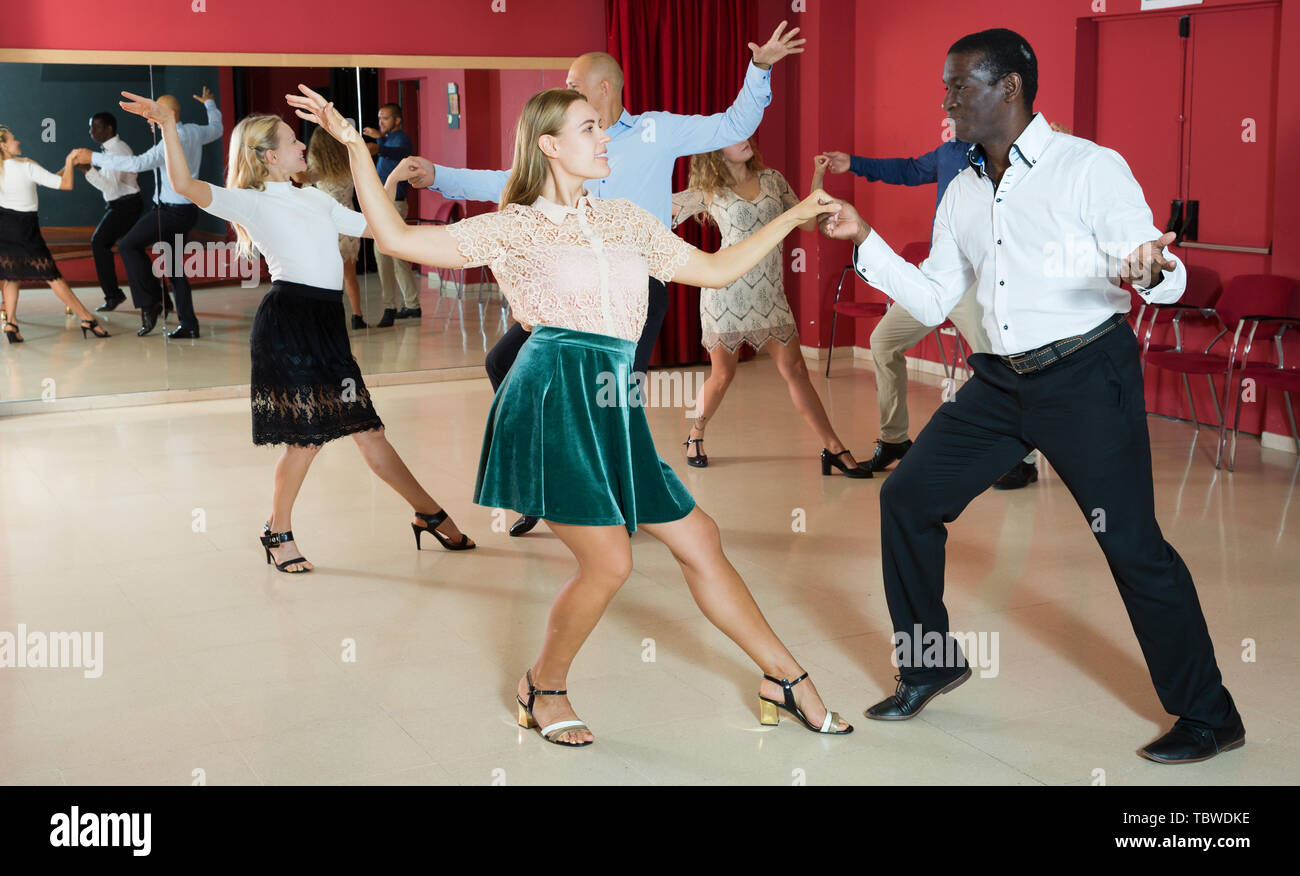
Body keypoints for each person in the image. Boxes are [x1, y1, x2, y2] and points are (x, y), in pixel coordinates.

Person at [291, 83, 853, 745]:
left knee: (699, 537)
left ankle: (782, 678)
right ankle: (544, 685)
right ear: (550, 145)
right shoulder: (512, 229)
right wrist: (356, 147)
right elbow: (394, 235)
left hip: (614, 405)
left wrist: (790, 219)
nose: (605, 136)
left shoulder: (626, 220)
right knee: (611, 562)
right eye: (590, 127)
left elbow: (715, 270)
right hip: (551, 397)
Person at [819, 28, 1243, 764]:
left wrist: (1152, 271)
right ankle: (930, 663)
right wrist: (864, 241)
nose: (947, 101)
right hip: (1000, 380)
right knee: (908, 500)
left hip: (1086, 377)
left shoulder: (1087, 168)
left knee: (1132, 545)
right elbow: (931, 293)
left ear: (1008, 88)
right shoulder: (962, 191)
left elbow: (1154, 261)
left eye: (960, 86)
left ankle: (1210, 714)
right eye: (946, 86)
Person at [405, 21, 806, 536]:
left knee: (616, 394)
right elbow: (513, 179)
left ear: (605, 87)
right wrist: (439, 174)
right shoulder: (569, 144)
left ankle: (621, 497)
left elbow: (731, 125)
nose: (566, 91)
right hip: (571, 286)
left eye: (574, 83)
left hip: (636, 285)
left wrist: (761, 68)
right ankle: (550, 476)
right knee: (503, 361)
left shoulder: (657, 131)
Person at [114, 91, 475, 573]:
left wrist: (386, 177)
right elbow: (182, 182)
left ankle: (426, 513)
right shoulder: (250, 201)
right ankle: (277, 531)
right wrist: (167, 127)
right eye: (291, 141)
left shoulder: (314, 198)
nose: (303, 146)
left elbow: (377, 225)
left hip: (327, 322)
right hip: (289, 323)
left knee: (369, 430)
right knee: (307, 437)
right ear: (268, 156)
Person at [819, 137, 1041, 487]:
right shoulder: (948, 153)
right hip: (939, 274)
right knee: (883, 342)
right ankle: (895, 440)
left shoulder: (1008, 151)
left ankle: (1022, 457)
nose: (947, 107)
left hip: (979, 279)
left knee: (997, 363)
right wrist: (854, 162)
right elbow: (907, 170)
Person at [670, 142, 869, 476]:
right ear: (717, 150)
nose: (745, 139)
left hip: (770, 294)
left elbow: (807, 221)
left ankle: (834, 448)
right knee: (723, 375)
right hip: (726, 295)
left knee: (797, 371)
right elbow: (663, 213)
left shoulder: (773, 179)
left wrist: (818, 175)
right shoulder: (708, 190)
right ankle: (695, 434)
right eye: (734, 137)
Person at [73, 86, 223, 339]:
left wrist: (94, 158)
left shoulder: (169, 143)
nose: (151, 116)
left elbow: (137, 164)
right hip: (186, 212)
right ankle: (188, 324)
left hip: (170, 213)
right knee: (175, 270)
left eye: (156, 111)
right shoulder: (195, 132)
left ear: (171, 114)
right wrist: (209, 104)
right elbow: (217, 128)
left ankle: (151, 302)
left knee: (127, 246)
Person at [0, 126, 110, 342]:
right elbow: (66, 184)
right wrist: (70, 161)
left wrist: (66, 167)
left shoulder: (6, 168)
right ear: (3, 145)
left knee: (11, 275)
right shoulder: (26, 165)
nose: (18, 142)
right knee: (53, 277)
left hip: (5, 227)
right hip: (25, 229)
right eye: (13, 140)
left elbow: (50, 180)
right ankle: (87, 318)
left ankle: (11, 324)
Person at [294, 128, 367, 329]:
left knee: (325, 277)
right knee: (349, 276)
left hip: (327, 225)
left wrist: (287, 162)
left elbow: (301, 180)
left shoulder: (319, 168)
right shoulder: (349, 164)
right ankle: (357, 316)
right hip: (350, 224)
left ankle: (328, 319)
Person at [79, 111, 142, 313]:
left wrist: (87, 170)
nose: (91, 131)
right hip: (121, 205)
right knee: (134, 250)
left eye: (96, 127)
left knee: (99, 242)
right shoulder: (108, 150)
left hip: (127, 205)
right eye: (90, 127)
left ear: (109, 129)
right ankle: (155, 298)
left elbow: (111, 188)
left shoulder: (118, 151)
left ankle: (114, 295)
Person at [363, 103, 418, 326]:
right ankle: (410, 306)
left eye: (385, 118)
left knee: (387, 254)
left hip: (394, 205)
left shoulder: (401, 140)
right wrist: (379, 141)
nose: (381, 122)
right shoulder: (386, 140)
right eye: (380, 118)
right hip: (383, 205)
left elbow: (400, 153)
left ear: (397, 120)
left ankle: (392, 307)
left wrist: (379, 146)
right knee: (391, 257)